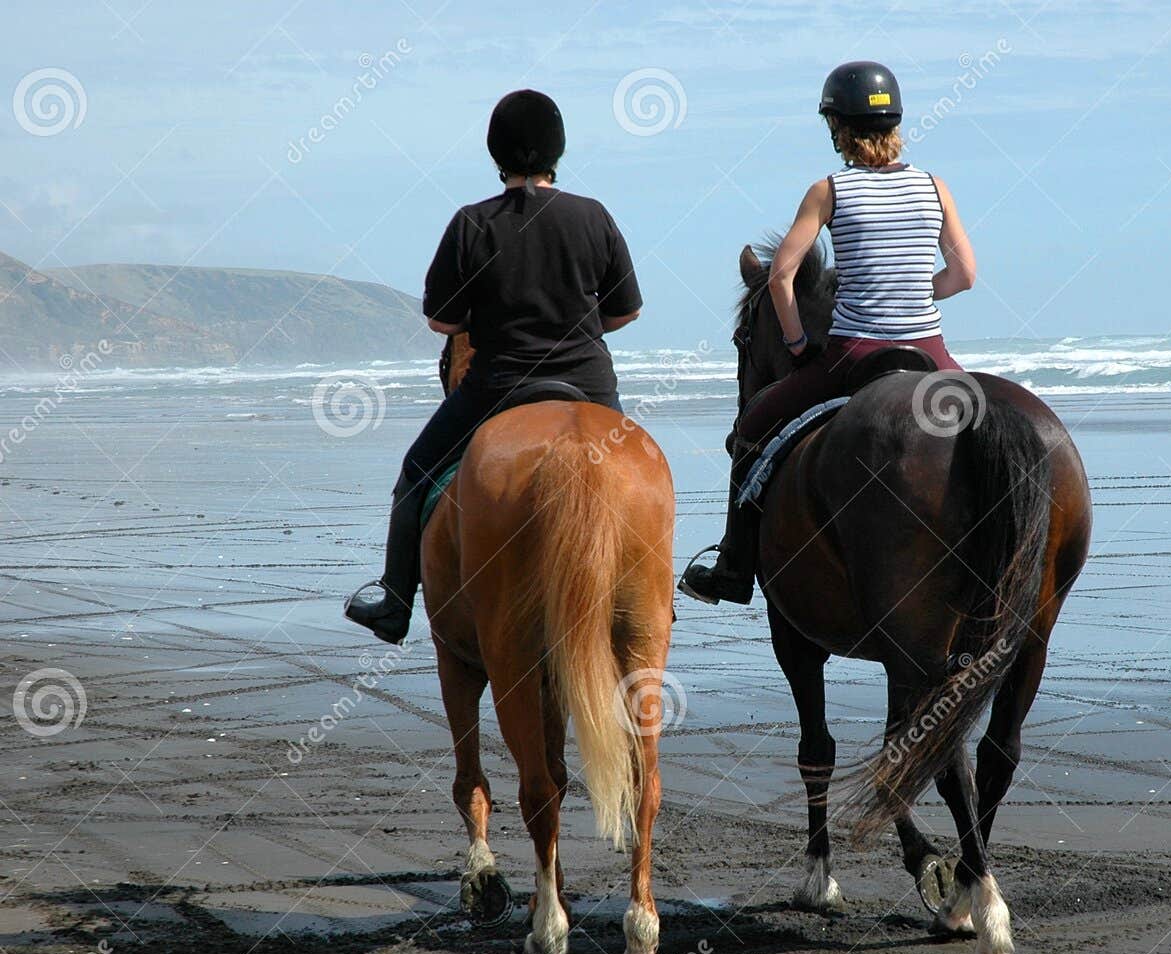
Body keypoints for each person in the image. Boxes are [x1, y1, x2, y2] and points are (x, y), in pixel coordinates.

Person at [345, 89, 643, 644]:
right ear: (558, 151)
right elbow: (627, 310)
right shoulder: (593, 215)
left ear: (495, 154)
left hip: (500, 388)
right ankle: (653, 598)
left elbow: (441, 322)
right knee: (638, 471)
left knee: (416, 473)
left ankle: (394, 601)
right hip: (589, 387)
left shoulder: (472, 223)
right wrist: (574, 326)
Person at [678, 60, 977, 606]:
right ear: (895, 125)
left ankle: (733, 567)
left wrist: (796, 345)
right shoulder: (936, 186)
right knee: (983, 425)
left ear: (839, 128)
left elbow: (780, 277)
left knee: (754, 424)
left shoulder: (828, 191)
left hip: (853, 356)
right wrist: (913, 292)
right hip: (932, 357)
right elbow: (965, 276)